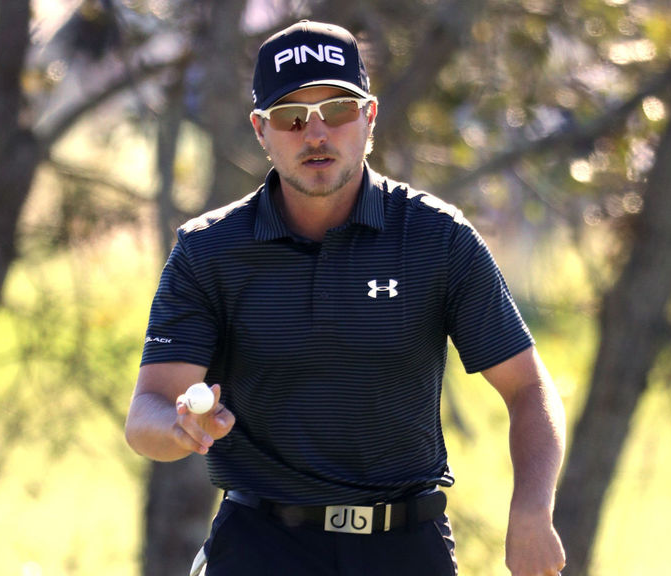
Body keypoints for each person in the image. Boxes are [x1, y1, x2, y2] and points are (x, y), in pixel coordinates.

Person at [125, 19, 567, 576]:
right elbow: (148, 409)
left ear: (369, 117)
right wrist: (178, 429)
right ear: (261, 130)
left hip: (406, 547)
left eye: (336, 109)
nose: (316, 134)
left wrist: (531, 509)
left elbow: (528, 387)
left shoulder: (437, 237)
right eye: (291, 118)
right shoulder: (209, 250)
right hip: (259, 547)